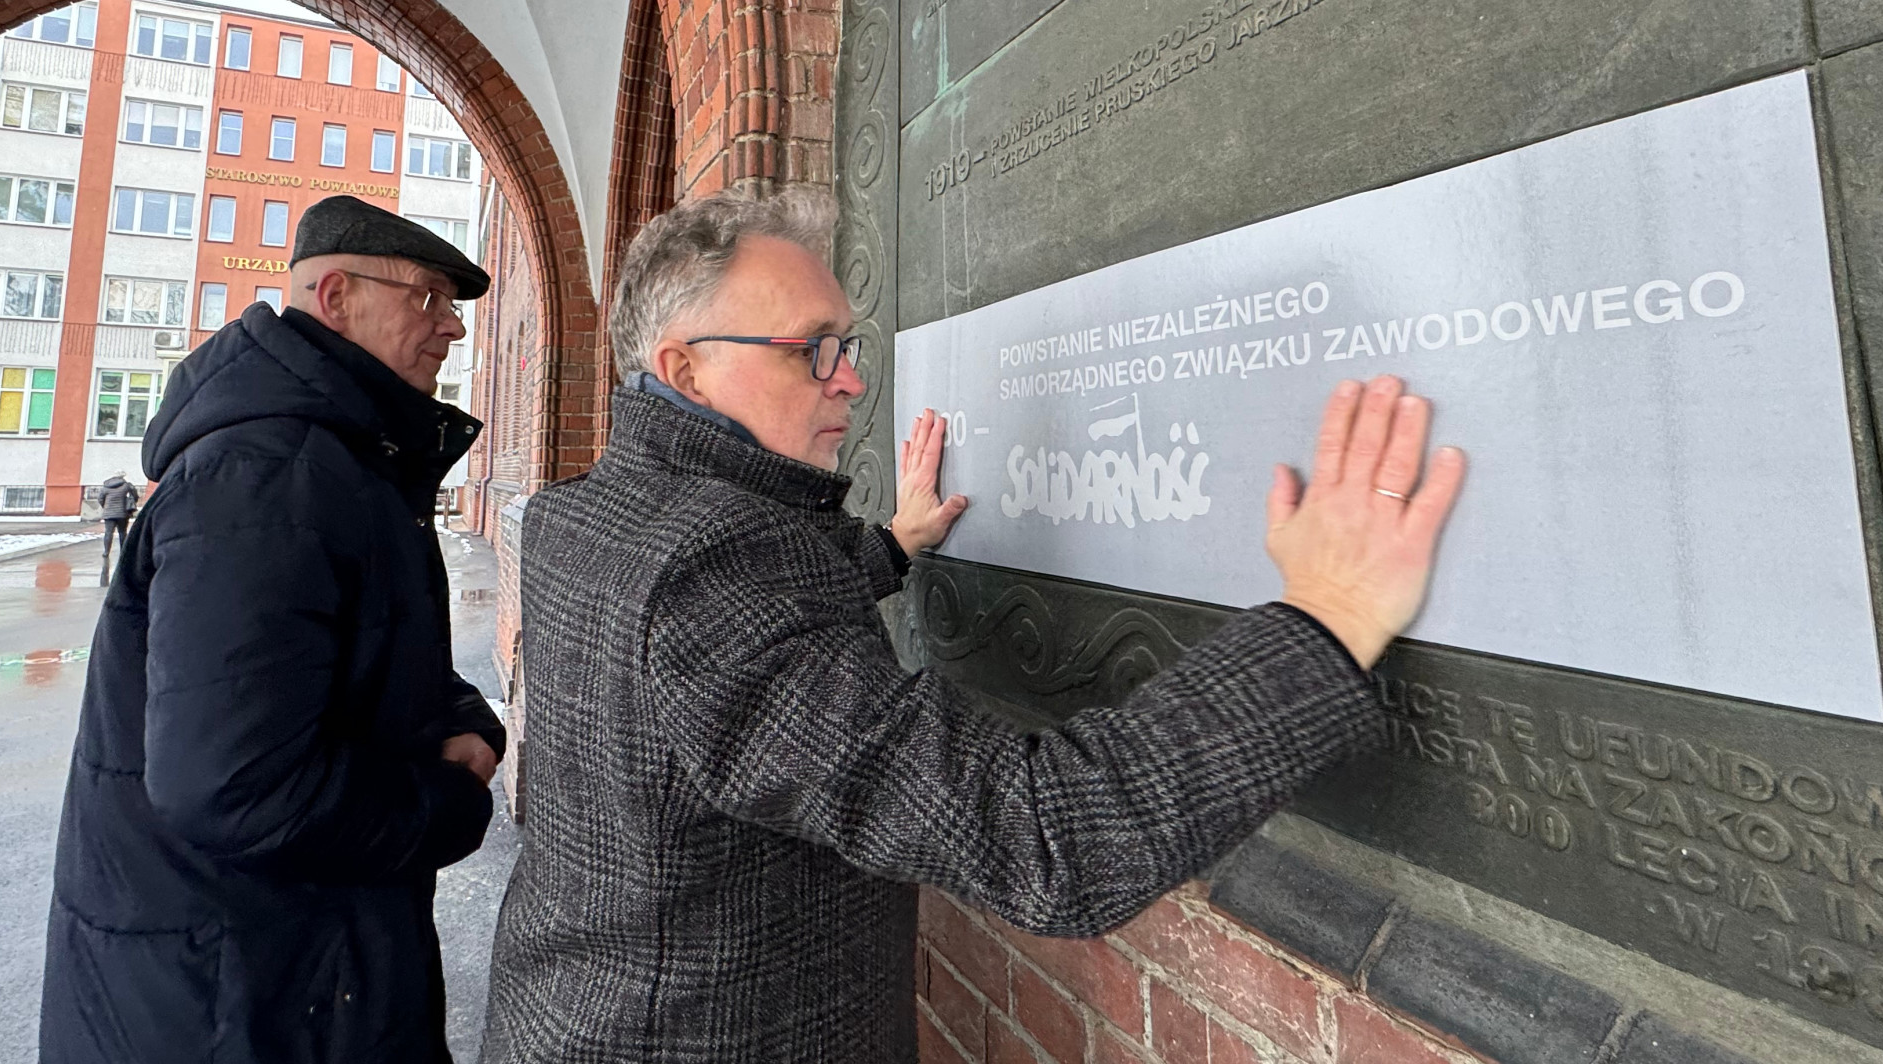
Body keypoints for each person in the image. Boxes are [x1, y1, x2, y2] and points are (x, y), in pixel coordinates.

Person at [481, 189, 1467, 1062]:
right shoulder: (712, 576)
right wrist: (1323, 621)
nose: (851, 380)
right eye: (812, 349)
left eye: (848, 345)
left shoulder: (591, 515)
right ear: (686, 370)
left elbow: (718, 662)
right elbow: (1047, 836)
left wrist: (891, 546)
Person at [41, 195, 505, 1064]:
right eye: (428, 298)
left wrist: (456, 714)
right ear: (335, 297)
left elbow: (337, 657)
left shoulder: (336, 457)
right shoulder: (268, 476)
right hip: (240, 995)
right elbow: (235, 784)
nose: (452, 328)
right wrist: (446, 805)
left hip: (281, 969)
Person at [94, 470, 138, 560]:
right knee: (122, 532)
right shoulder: (126, 486)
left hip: (108, 513)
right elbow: (135, 495)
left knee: (108, 533)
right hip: (122, 514)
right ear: (123, 477)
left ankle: (106, 552)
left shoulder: (106, 486)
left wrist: (106, 507)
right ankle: (123, 551)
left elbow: (100, 498)